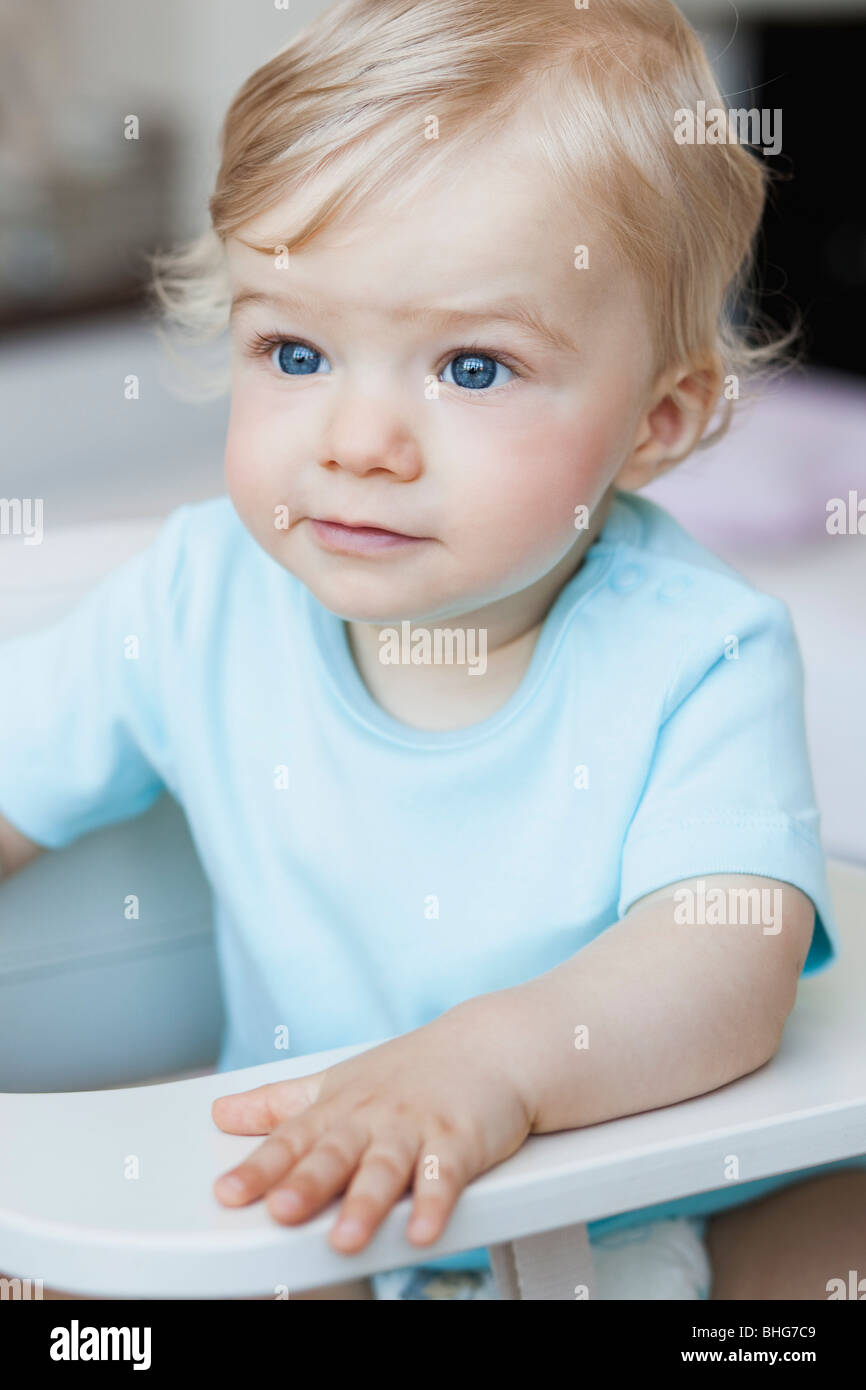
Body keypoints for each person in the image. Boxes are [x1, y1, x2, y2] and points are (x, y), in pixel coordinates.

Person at [1, 0, 863, 1300]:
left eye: (470, 368)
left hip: (660, 1199)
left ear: (655, 422)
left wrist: (494, 1065)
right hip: (319, 1214)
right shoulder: (197, 594)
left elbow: (724, 960)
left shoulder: (697, 650)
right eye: (293, 349)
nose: (357, 440)